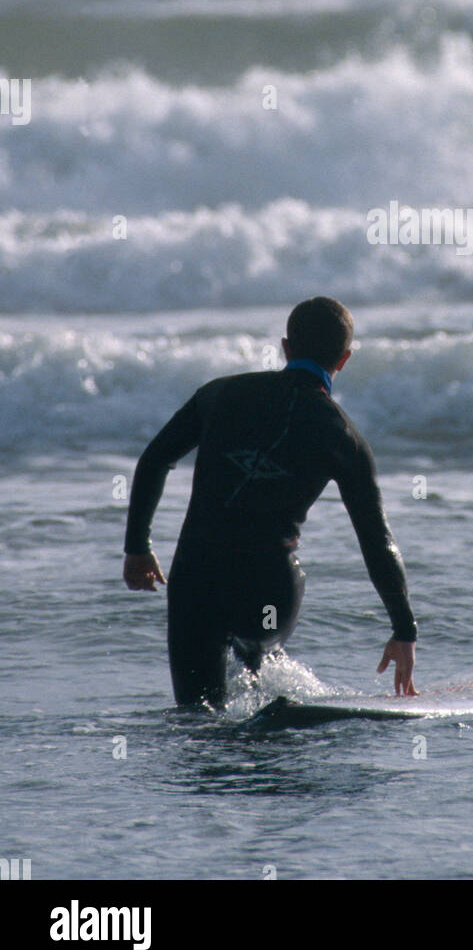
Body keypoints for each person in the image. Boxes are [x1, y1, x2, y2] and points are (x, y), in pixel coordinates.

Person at [122, 296, 418, 707]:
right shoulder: (342, 436)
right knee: (258, 649)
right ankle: (264, 678)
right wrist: (404, 631)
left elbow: (154, 459)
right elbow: (376, 538)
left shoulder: (219, 394)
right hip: (267, 591)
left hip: (196, 581)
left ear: (286, 347)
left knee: (197, 717)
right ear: (344, 360)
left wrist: (137, 548)